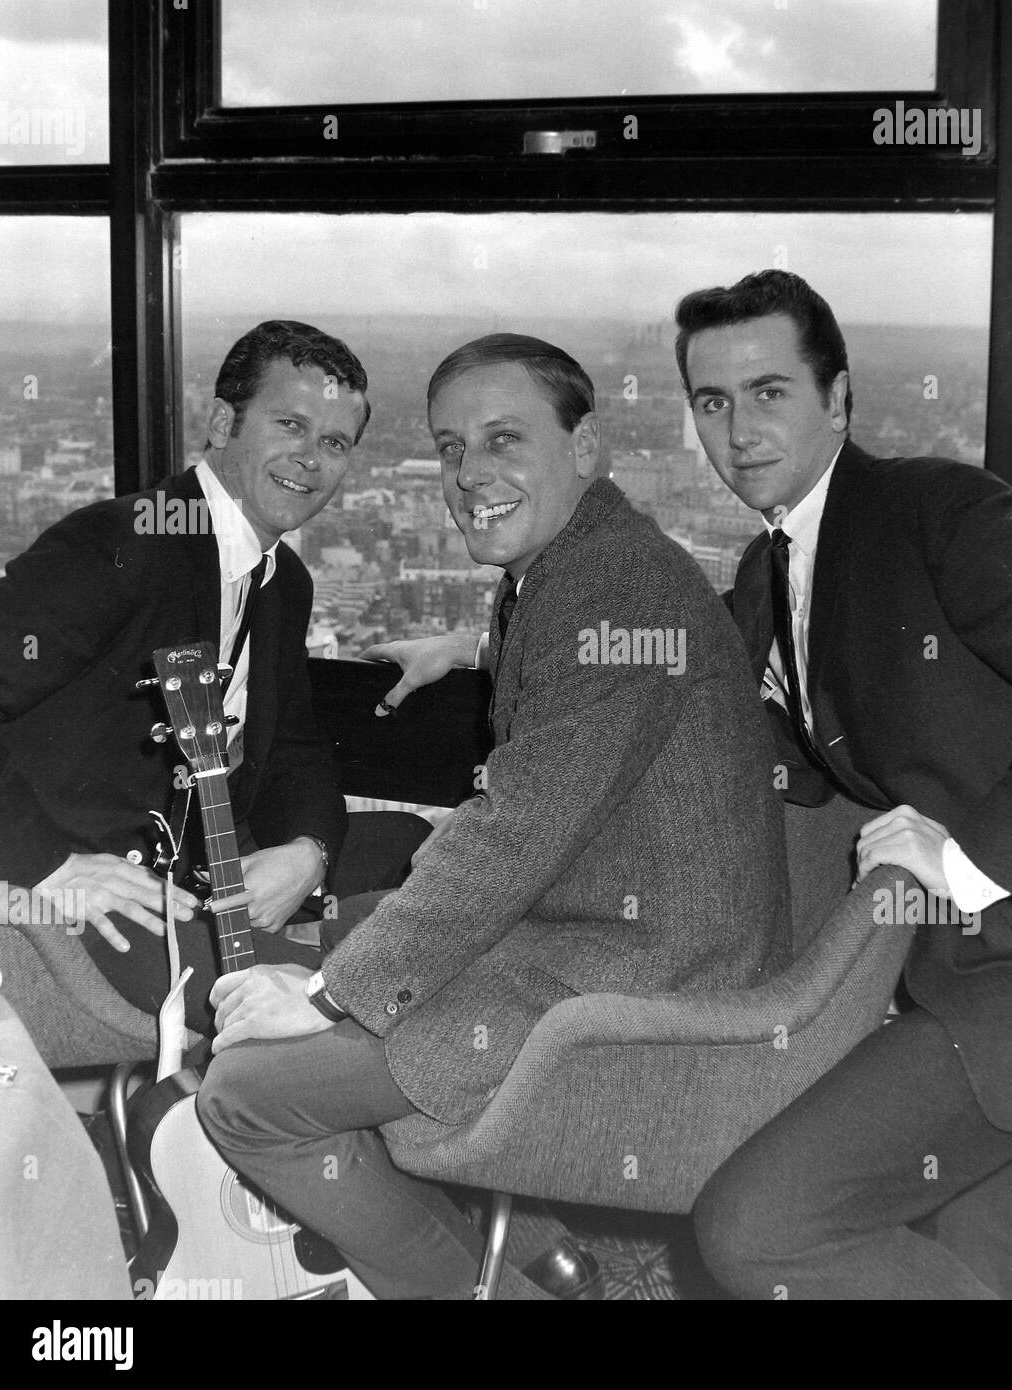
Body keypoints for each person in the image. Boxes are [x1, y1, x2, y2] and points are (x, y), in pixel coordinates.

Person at [195, 333, 791, 1300]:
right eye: (450, 447)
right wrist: (471, 646)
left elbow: (515, 830)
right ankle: (546, 1261)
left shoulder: (607, 585)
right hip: (611, 933)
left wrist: (327, 999)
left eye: (504, 439)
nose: (471, 474)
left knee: (248, 1096)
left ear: (586, 447)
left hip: (640, 974)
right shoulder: (582, 565)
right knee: (337, 942)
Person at [676, 270, 1012, 1299]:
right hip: (934, 985)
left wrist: (969, 864)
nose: (737, 429)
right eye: (711, 402)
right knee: (975, 1277)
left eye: (769, 391)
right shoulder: (766, 573)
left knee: (756, 1229)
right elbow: (754, 739)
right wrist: (499, 636)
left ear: (838, 398)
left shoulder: (934, 511)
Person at [0, 320, 424, 1034]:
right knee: (331, 1007)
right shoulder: (126, 543)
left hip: (196, 862)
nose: (311, 459)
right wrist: (50, 867)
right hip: (102, 887)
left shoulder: (282, 580)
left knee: (409, 847)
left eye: (335, 442)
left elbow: (293, 749)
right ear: (222, 423)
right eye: (290, 425)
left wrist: (307, 854)